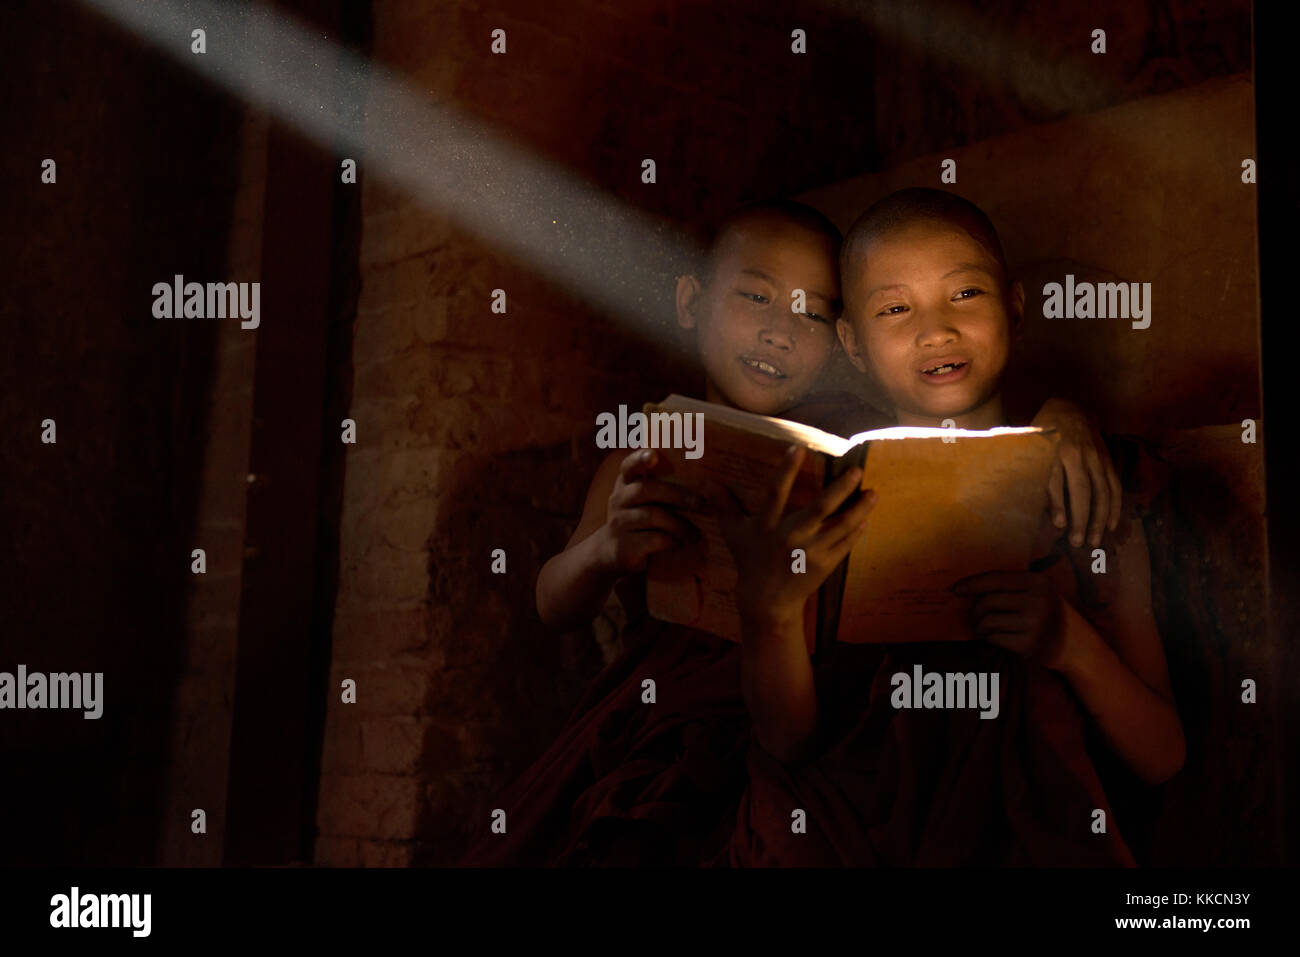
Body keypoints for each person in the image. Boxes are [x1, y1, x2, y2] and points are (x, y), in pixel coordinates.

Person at [462, 197, 1124, 866]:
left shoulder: (843, 445)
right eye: (757, 296)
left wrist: (1063, 415)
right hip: (669, 720)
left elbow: (970, 419)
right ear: (691, 301)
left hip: (816, 707)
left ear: (842, 342)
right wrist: (605, 550)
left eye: (812, 312)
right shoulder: (651, 448)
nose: (781, 332)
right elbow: (554, 603)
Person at [723, 188, 1184, 866]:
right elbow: (790, 743)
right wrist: (770, 616)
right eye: (894, 308)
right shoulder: (827, 499)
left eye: (964, 294)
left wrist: (1067, 642)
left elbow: (1163, 755)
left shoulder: (1084, 489)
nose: (935, 330)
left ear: (1017, 307)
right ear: (850, 342)